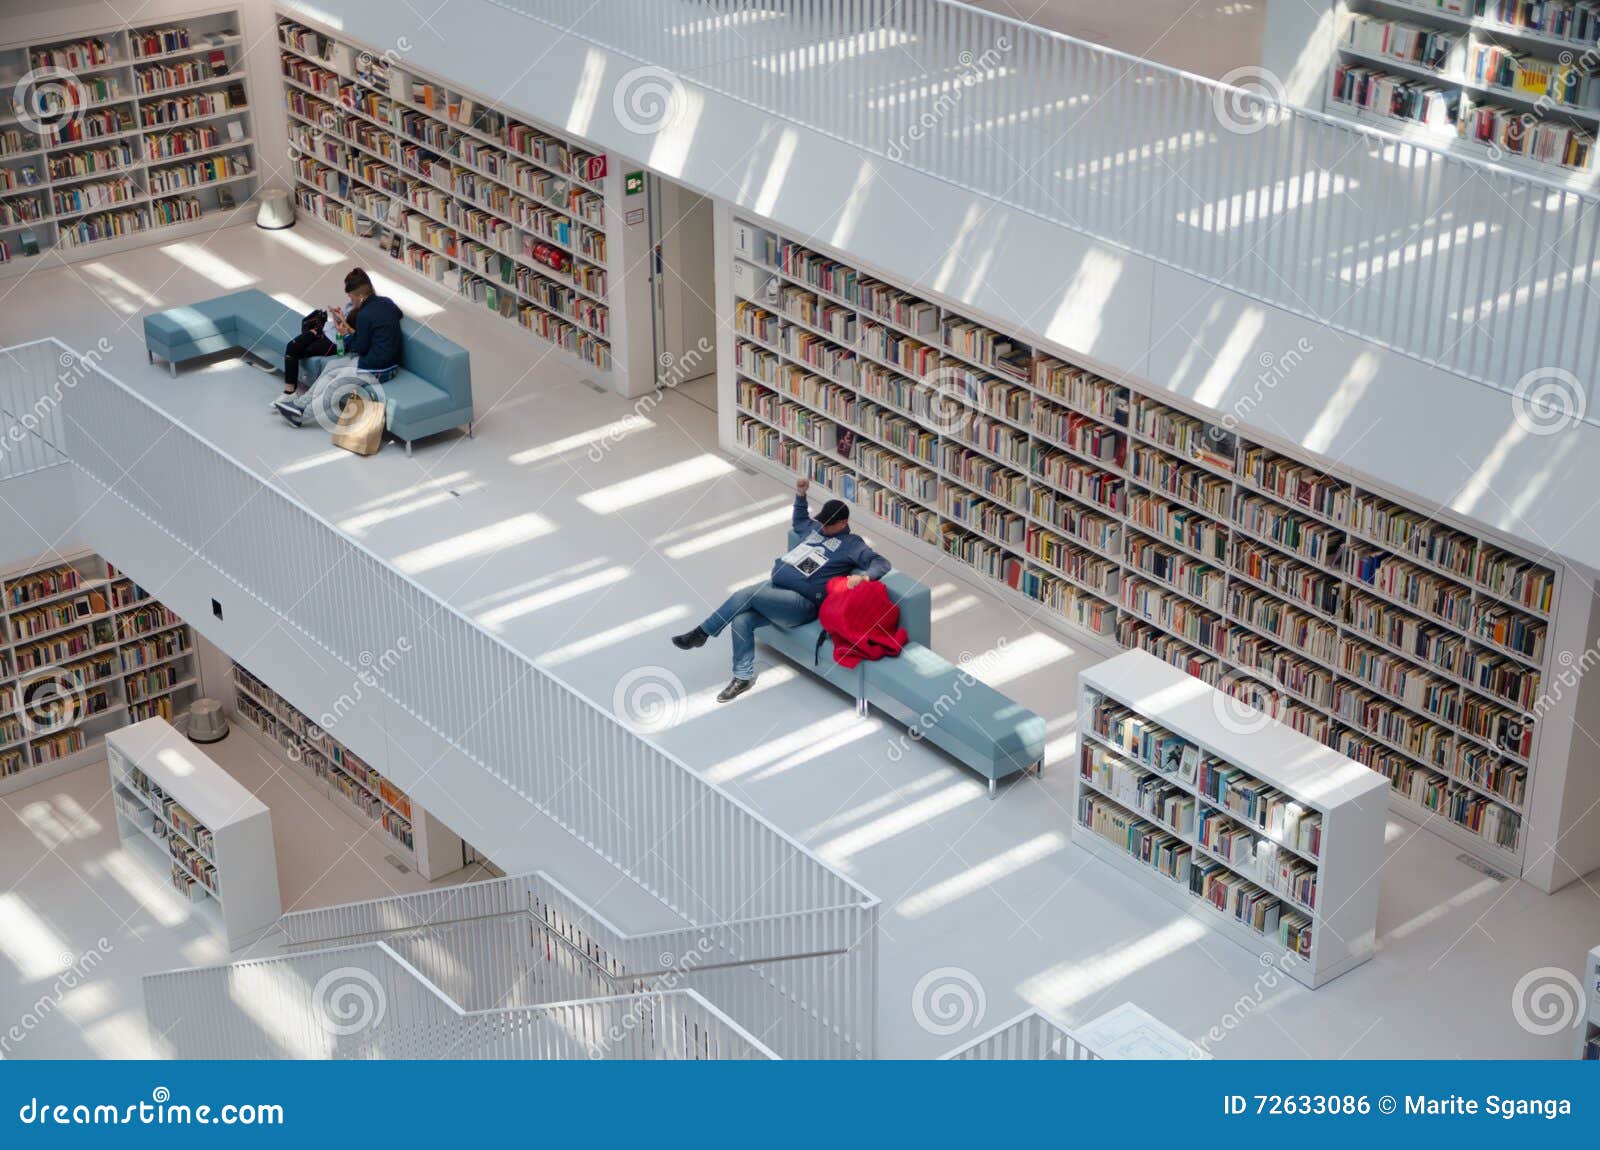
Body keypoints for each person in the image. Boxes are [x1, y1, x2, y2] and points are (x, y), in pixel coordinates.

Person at [672, 477, 890, 702]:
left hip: (801, 605)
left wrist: (863, 577)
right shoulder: (816, 529)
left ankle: (702, 633)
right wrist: (801, 495)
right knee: (741, 621)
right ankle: (742, 676)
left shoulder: (852, 544)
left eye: (828, 524)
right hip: (777, 591)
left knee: (747, 593)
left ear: (843, 523)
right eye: (822, 522)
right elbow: (800, 521)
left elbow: (882, 564)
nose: (822, 526)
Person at [275, 267, 403, 428]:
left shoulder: (364, 314)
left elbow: (360, 348)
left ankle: (300, 416)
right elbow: (397, 315)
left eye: (351, 297)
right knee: (331, 366)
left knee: (338, 382)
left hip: (381, 368)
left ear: (361, 296)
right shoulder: (386, 302)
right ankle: (300, 403)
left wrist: (346, 335)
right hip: (374, 358)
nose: (351, 301)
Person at [279, 305, 339, 396]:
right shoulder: (351, 305)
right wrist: (335, 316)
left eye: (352, 297)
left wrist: (342, 322)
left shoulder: (363, 315)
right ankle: (290, 391)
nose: (350, 299)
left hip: (333, 341)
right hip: (323, 330)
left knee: (295, 351)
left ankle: (289, 392)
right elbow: (338, 323)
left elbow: (350, 334)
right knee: (292, 346)